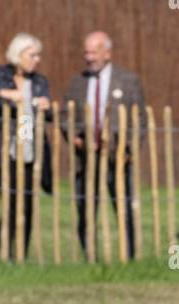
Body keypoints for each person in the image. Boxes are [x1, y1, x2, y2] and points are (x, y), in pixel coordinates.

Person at [0, 35, 53, 260]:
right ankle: (6, 252)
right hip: (7, 150)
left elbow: (48, 111)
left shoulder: (39, 82)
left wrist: (47, 106)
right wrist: (2, 93)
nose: (37, 59)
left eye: (37, 55)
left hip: (31, 148)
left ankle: (20, 255)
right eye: (32, 55)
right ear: (18, 55)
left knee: (27, 205)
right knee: (10, 202)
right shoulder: (0, 75)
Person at [62, 31, 146, 259]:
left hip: (117, 157)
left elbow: (139, 120)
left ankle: (128, 257)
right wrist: (74, 136)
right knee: (86, 209)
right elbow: (64, 116)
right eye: (86, 52)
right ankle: (88, 255)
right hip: (87, 157)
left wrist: (129, 148)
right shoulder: (77, 82)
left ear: (107, 53)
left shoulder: (128, 81)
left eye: (93, 52)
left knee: (124, 208)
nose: (88, 57)